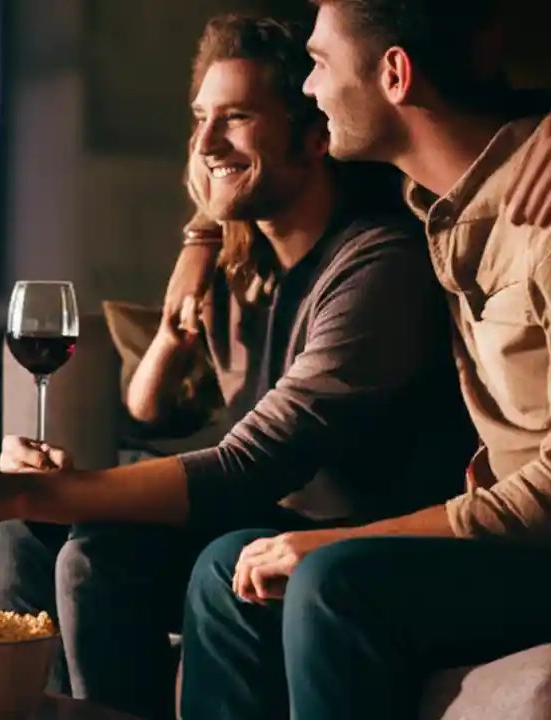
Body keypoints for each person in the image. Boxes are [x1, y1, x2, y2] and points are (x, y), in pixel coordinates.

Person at [0, 14, 475, 718]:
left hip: (347, 531)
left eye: (237, 117)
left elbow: (248, 467)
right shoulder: (245, 259)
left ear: (317, 136)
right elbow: (161, 408)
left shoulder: (381, 266)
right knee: (23, 535)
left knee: (101, 552)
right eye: (200, 118)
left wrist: (19, 489)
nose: (203, 143)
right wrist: (34, 499)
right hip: (260, 509)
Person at [177, 2, 551, 718]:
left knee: (331, 579)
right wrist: (200, 238)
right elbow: (245, 169)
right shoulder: (431, 203)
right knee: (231, 565)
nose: (307, 91)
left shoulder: (538, 220)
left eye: (317, 65)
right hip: (505, 534)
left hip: (536, 545)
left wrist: (336, 538)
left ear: (396, 74)